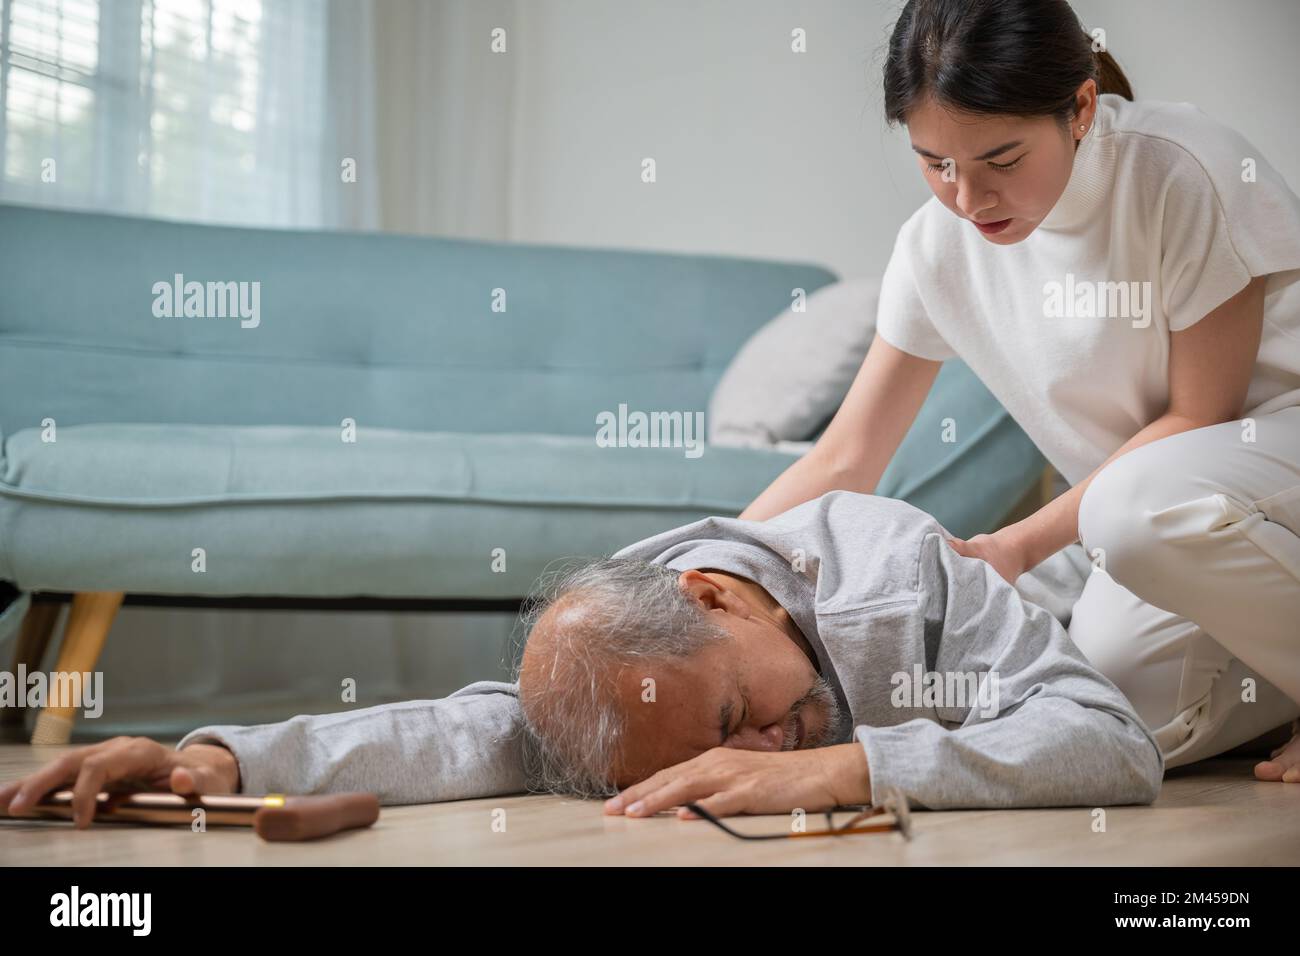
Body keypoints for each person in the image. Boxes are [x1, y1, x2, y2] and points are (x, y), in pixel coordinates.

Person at [741, 0, 1300, 780]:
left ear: (1079, 106)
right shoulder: (936, 250)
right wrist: (691, 568)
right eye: (936, 163)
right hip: (1165, 521)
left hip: (1258, 454)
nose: (969, 200)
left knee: (1130, 513)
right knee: (1101, 713)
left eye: (1002, 160)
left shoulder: (1179, 166)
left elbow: (1201, 415)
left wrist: (1016, 545)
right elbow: (844, 456)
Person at [0, 491, 1162, 826]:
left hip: (1147, 645)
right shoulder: (633, 652)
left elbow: (1113, 740)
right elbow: (476, 726)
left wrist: (842, 769)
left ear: (719, 596)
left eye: (728, 719)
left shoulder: (896, 565)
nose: (753, 756)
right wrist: (212, 752)